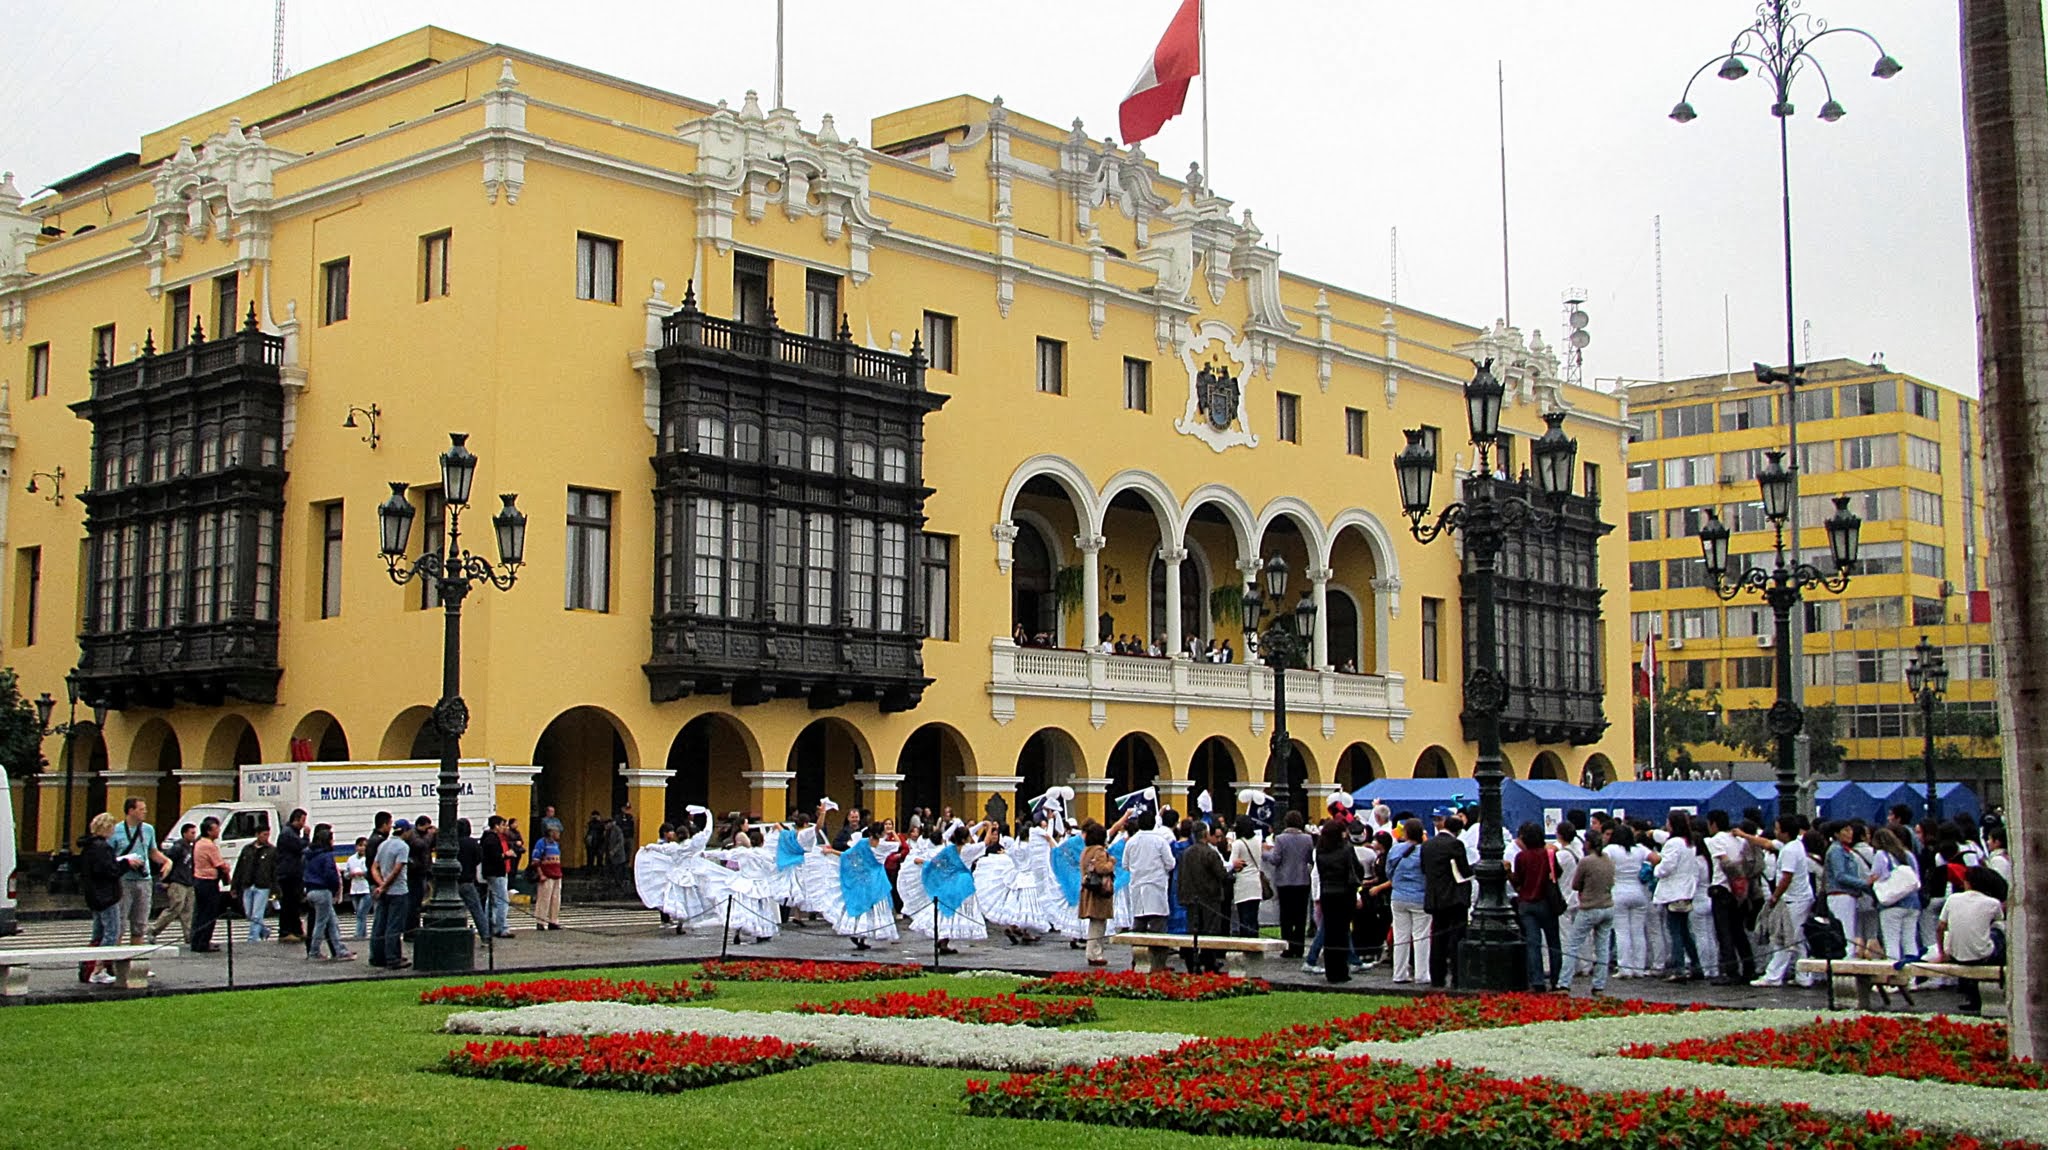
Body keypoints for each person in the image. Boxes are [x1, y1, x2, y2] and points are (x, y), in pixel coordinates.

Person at [1754, 815, 1815, 987]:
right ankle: (1804, 976)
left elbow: (1787, 877)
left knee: (1785, 938)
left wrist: (1775, 897)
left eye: (1777, 829)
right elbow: (1768, 843)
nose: (1775, 832)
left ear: (1785, 832)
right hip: (1801, 897)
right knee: (1798, 938)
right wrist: (1744, 835)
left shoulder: (1789, 851)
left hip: (1794, 899)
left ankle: (1773, 975)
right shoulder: (1795, 845)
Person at [1937, 865, 2006, 1014]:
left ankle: (1972, 997)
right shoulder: (1992, 903)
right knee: (1998, 932)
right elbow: (2000, 922)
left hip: (1956, 955)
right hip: (1983, 956)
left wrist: (1942, 953)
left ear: (1966, 882)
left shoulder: (1952, 898)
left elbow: (1940, 928)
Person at [1704, 809, 1758, 985]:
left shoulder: (1716, 840)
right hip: (1740, 892)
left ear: (1713, 823)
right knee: (1738, 931)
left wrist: (1735, 879)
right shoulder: (1738, 839)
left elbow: (1724, 861)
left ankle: (1730, 970)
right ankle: (1749, 967)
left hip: (1723, 888)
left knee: (1724, 932)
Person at [1649, 813, 1704, 982]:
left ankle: (1679, 967)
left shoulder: (1673, 843)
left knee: (1675, 931)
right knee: (1684, 930)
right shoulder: (1689, 843)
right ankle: (1696, 965)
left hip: (1673, 891)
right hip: (1685, 890)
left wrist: (1656, 867)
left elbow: (1667, 867)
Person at [1558, 832, 1615, 995]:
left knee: (1572, 944)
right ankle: (1599, 985)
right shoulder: (1608, 860)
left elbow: (1575, 884)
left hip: (1590, 906)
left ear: (1588, 844)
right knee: (1602, 948)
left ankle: (1564, 983)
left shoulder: (1586, 861)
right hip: (1607, 906)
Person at [1420, 812, 1472, 988]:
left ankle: (1437, 977)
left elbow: (1423, 869)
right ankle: (1457, 976)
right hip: (1453, 897)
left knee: (1438, 938)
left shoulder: (1428, 845)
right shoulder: (1455, 844)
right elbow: (1464, 870)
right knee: (1456, 938)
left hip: (1434, 896)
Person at [108, 797, 168, 946]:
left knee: (140, 923)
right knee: (120, 921)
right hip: (123, 880)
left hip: (144, 879)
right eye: (141, 809)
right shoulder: (116, 831)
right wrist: (126, 861)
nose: (145, 812)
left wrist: (167, 861)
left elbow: (152, 851)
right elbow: (109, 858)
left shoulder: (148, 829)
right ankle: (115, 961)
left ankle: (137, 961)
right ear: (131, 811)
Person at [1511, 821, 1563, 991]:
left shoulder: (1521, 857)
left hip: (1527, 903)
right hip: (1547, 902)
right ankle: (1556, 979)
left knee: (1533, 944)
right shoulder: (1548, 854)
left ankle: (1537, 980)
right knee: (1553, 942)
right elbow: (1558, 873)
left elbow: (1518, 880)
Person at [1377, 818, 1429, 984]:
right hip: (1419, 896)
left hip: (1398, 896)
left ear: (1405, 833)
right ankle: (1422, 974)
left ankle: (1399, 973)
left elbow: (1389, 872)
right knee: (1421, 936)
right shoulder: (1423, 852)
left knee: (1401, 936)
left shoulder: (1395, 850)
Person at [1175, 820, 1232, 972]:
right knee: (1210, 931)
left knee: (1193, 930)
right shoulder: (1209, 853)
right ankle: (1208, 962)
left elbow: (1181, 875)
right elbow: (1221, 874)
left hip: (1191, 897)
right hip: (1209, 897)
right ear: (1206, 835)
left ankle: (1191, 961)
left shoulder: (1187, 853)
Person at [1315, 818, 1364, 984]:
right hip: (1344, 893)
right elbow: (1357, 870)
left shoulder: (1320, 851)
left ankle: (1331, 970)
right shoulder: (1346, 850)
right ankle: (1341, 970)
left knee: (1329, 932)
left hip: (1327, 893)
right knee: (1342, 932)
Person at [79, 812, 124, 985]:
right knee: (111, 932)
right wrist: (125, 864)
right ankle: (99, 968)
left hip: (94, 895)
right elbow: (110, 871)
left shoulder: (88, 846)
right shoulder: (103, 847)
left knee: (97, 934)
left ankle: (89, 967)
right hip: (106, 896)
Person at [1604, 823, 1652, 980]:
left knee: (1622, 931)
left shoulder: (1611, 850)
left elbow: (1603, 864)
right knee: (1638, 931)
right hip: (1638, 892)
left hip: (1618, 891)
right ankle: (1639, 967)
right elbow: (1657, 858)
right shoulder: (1640, 849)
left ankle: (1625, 968)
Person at [1870, 826, 1923, 963]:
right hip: (1913, 904)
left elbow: (1875, 877)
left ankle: (1894, 979)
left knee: (1891, 942)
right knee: (1910, 941)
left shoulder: (1881, 855)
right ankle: (1911, 979)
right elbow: (1915, 878)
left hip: (1892, 905)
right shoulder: (1908, 855)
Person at [1266, 811, 1315, 958]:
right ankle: (1299, 947)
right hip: (1302, 880)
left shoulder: (1280, 839)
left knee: (1286, 916)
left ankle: (1287, 946)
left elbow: (1275, 859)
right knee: (1300, 916)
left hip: (1285, 881)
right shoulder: (1307, 839)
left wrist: (1265, 853)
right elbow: (1310, 858)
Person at [302, 824, 352, 961]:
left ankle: (339, 949)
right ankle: (314, 951)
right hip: (323, 890)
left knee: (331, 921)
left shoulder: (309, 854)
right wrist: (335, 889)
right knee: (322, 923)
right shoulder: (326, 855)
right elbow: (331, 875)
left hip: (311, 889)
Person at [1822, 820, 1872, 953]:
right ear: (1836, 834)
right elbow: (1840, 875)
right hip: (1840, 894)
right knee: (1845, 932)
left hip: (1849, 895)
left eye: (1851, 830)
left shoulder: (1845, 850)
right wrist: (1864, 884)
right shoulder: (1836, 851)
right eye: (1846, 830)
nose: (1850, 833)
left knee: (1849, 930)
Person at [1121, 812, 1175, 932]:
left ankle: (1138, 949)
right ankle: (1157, 949)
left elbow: (1125, 865)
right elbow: (1170, 863)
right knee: (1158, 924)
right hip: (1156, 885)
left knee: (1139, 923)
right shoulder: (1160, 841)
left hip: (1137, 886)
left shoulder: (1131, 842)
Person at [370, 819, 413, 969]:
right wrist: (386, 885)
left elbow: (374, 867)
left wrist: (381, 885)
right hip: (398, 890)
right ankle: (393, 958)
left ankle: (376, 956)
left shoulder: (383, 845)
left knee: (380, 924)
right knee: (394, 925)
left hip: (384, 891)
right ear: (405, 831)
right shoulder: (403, 847)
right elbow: (398, 868)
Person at [147, 824, 198, 945]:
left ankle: (189, 935)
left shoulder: (191, 848)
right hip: (177, 881)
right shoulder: (177, 848)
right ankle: (154, 929)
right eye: (191, 833)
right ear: (184, 833)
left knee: (188, 911)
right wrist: (165, 880)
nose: (194, 835)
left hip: (188, 882)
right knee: (175, 908)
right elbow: (167, 863)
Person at [1078, 821, 1117, 967]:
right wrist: (1111, 862)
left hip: (1088, 890)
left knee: (1095, 923)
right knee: (1098, 923)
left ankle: (1093, 952)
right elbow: (1102, 869)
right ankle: (1095, 953)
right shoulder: (1099, 851)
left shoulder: (1086, 851)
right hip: (1099, 892)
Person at [189, 817, 230, 953]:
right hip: (208, 881)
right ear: (209, 831)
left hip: (199, 880)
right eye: (216, 829)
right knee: (209, 913)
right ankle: (204, 941)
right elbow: (219, 864)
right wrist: (227, 868)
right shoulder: (209, 845)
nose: (218, 831)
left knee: (200, 913)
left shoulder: (198, 843)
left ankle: (197, 940)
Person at [231, 825, 277, 942]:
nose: (266, 837)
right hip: (247, 883)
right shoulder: (247, 849)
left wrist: (275, 888)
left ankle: (253, 937)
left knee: (257, 913)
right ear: (257, 834)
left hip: (263, 885)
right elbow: (240, 868)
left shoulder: (271, 850)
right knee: (249, 913)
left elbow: (274, 870)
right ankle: (264, 930)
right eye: (264, 834)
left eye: (267, 834)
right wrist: (234, 885)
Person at [274, 808, 308, 943]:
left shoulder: (290, 832)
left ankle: (296, 929)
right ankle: (286, 931)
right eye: (303, 820)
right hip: (288, 873)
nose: (304, 824)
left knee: (294, 903)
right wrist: (306, 836)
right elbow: (301, 847)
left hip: (292, 872)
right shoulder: (288, 834)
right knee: (289, 902)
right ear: (297, 819)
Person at [1227, 816, 1263, 938]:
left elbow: (1233, 863)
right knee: (1253, 918)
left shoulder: (1238, 844)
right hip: (1256, 882)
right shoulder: (1258, 841)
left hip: (1243, 883)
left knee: (1244, 918)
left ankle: (1247, 945)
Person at [479, 815, 514, 938]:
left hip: (491, 872)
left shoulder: (487, 838)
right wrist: (506, 855)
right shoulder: (492, 839)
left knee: (492, 900)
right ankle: (501, 927)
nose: (505, 827)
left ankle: (491, 924)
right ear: (496, 826)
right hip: (497, 872)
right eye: (503, 825)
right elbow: (495, 857)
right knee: (502, 901)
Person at [457, 818, 489, 941]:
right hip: (468, 879)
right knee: (476, 910)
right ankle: (485, 935)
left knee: (456, 910)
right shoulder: (472, 843)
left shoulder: (453, 842)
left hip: (453, 882)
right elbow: (479, 858)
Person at [532, 824, 565, 930]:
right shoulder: (541, 843)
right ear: (551, 832)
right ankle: (540, 921)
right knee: (544, 899)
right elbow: (536, 861)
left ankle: (553, 921)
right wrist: (541, 874)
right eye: (557, 832)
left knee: (556, 899)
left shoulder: (556, 844)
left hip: (556, 874)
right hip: (546, 875)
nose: (559, 834)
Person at [344, 836, 373, 941]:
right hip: (355, 888)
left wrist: (364, 873)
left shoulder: (369, 859)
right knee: (359, 914)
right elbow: (346, 874)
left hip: (366, 889)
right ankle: (363, 934)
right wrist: (350, 874)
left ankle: (358, 935)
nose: (362, 848)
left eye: (364, 846)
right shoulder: (351, 859)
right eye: (360, 845)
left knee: (361, 912)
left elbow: (372, 872)